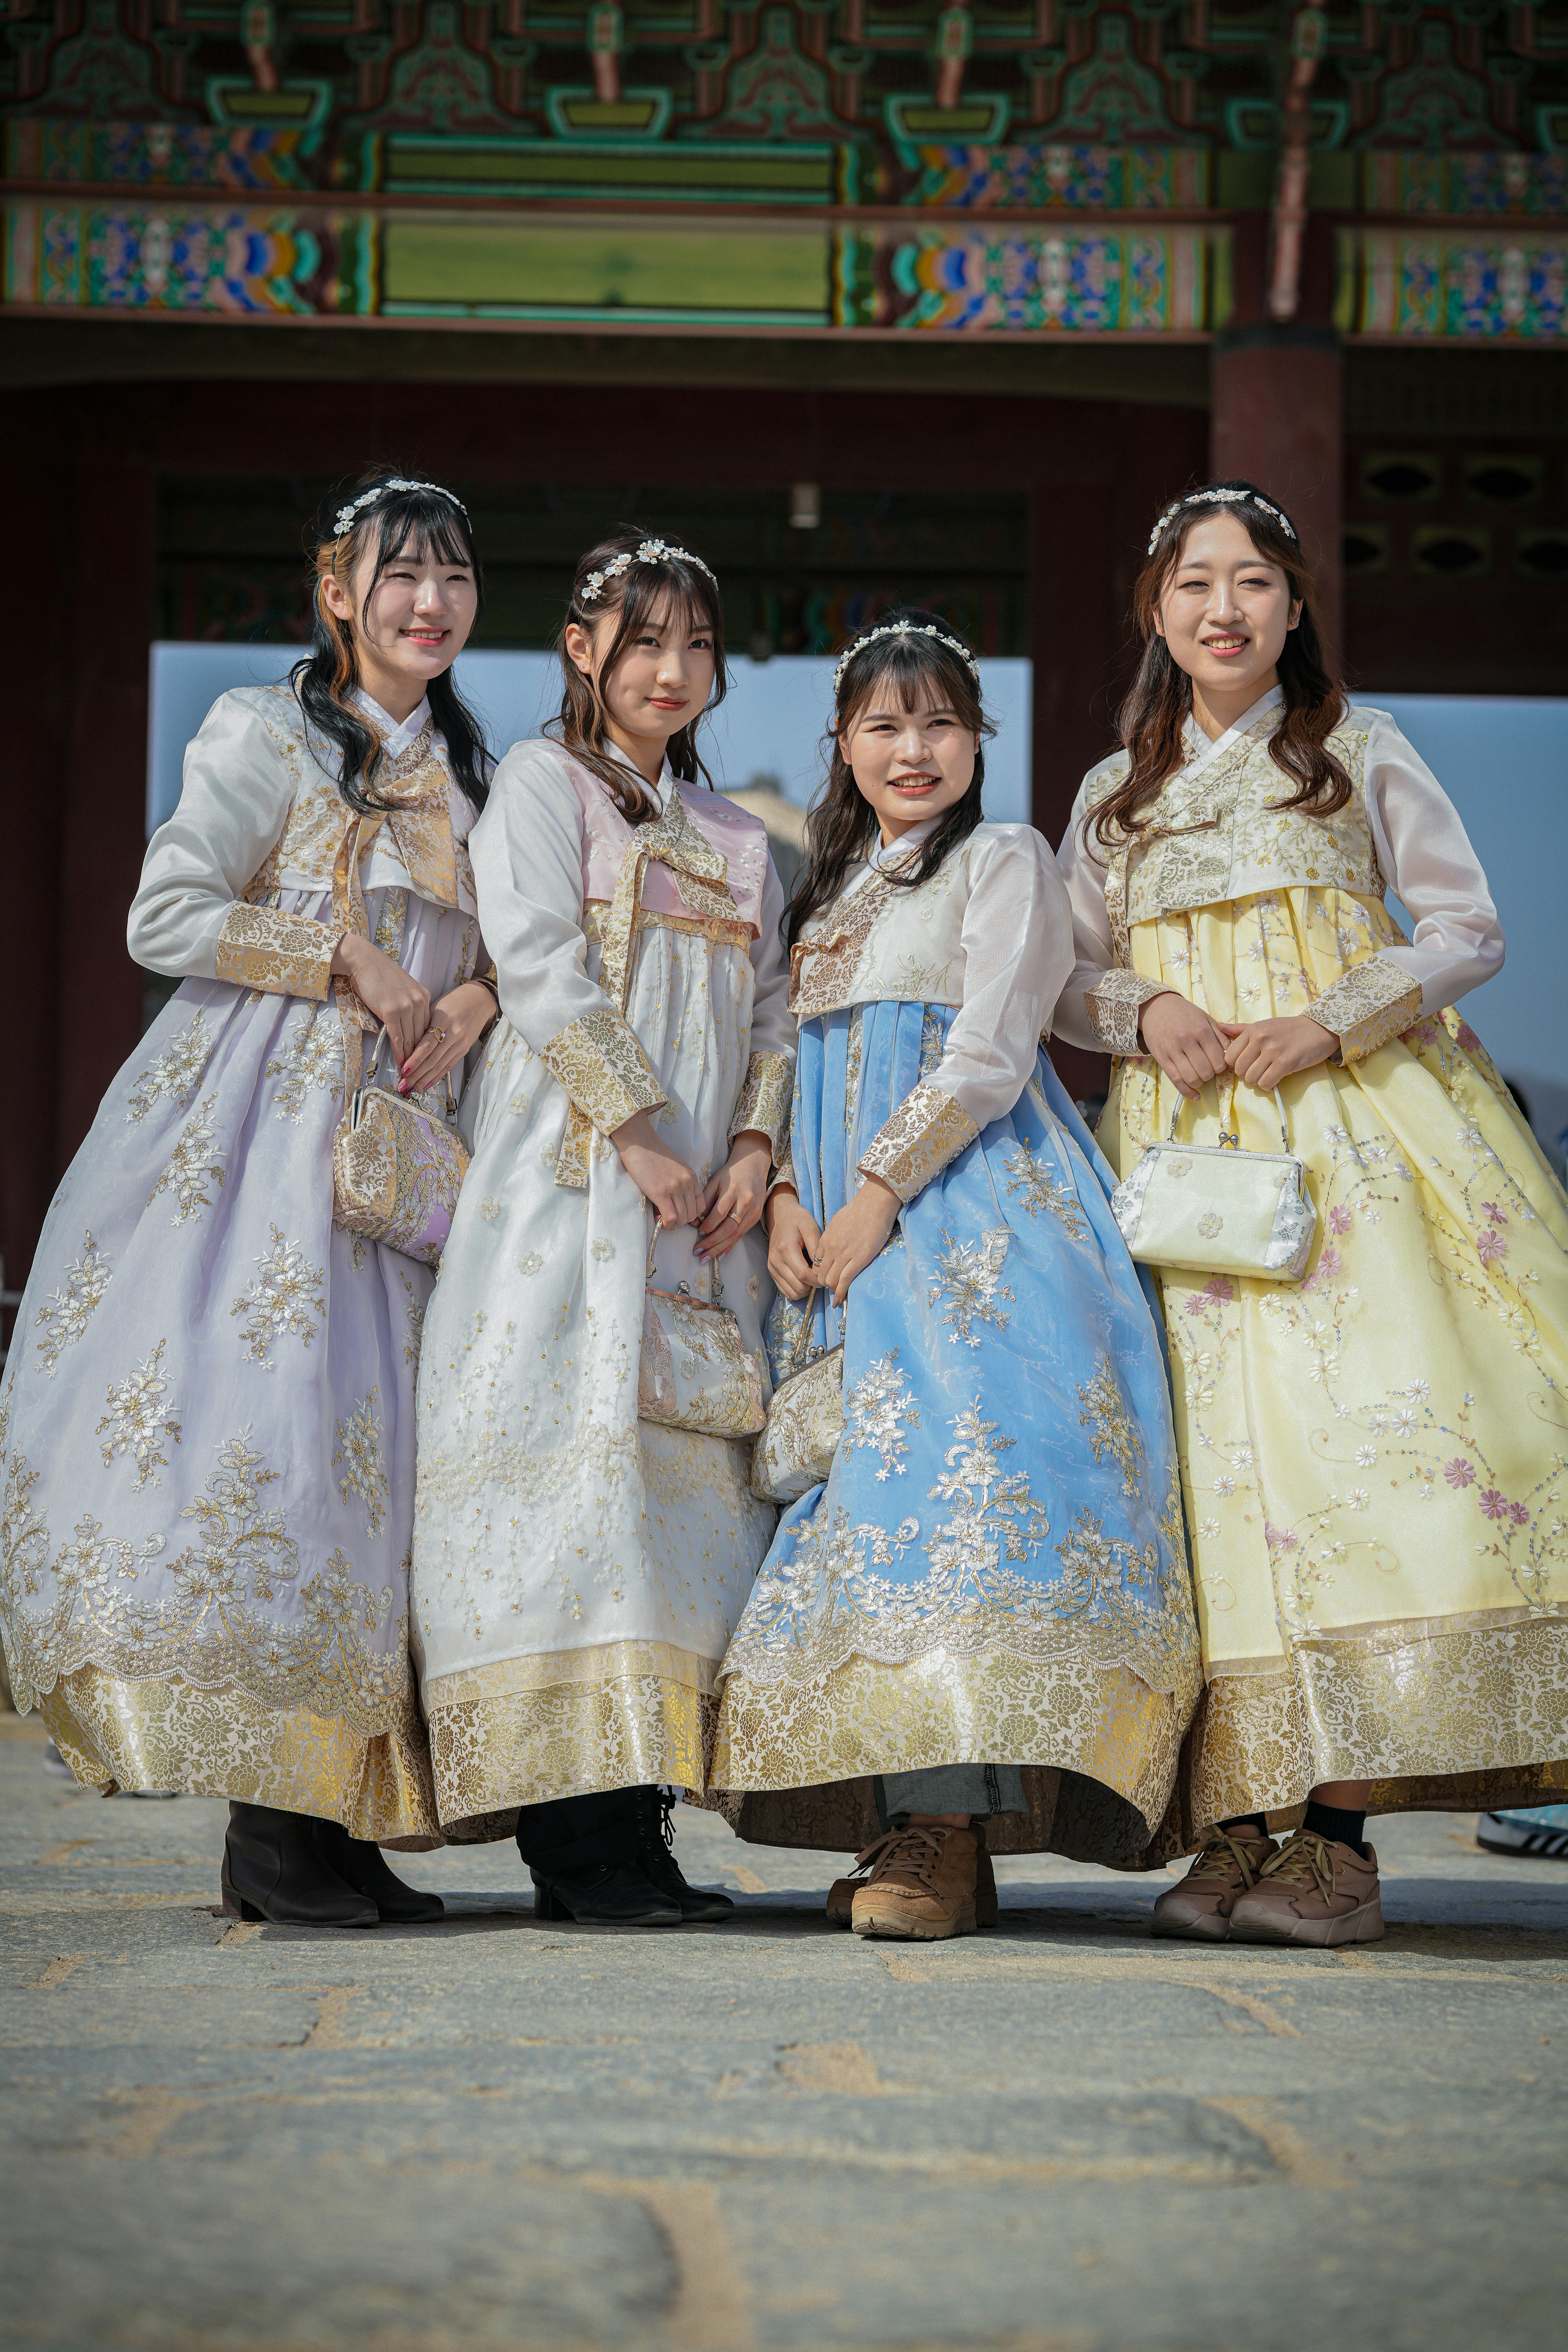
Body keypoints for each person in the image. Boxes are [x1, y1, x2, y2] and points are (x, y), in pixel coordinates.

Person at [1054, 478, 1568, 1947]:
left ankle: (1334, 1841)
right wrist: (1141, 1006)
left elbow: (1465, 925)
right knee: (1207, 1485)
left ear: (1294, 606)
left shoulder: (1359, 748)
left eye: (1253, 581)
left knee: (1355, 1455)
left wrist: (1333, 1017)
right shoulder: (1112, 793)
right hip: (1181, 1155)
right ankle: (1235, 1823)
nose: (1224, 608)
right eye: (1194, 583)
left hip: (1355, 1145)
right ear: (1155, 611)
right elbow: (1064, 977)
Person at [0, 468, 501, 1927]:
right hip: (261, 1129)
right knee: (279, 1444)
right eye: (399, 574)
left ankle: (338, 1813)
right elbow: (163, 913)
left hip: (408, 1141)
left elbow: (510, 946)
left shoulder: (476, 775)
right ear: (337, 593)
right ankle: (267, 1828)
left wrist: (473, 997)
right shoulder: (262, 730)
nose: (430, 602)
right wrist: (342, 955)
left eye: (455, 576)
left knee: (385, 1467)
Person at [710, 610, 1201, 1940]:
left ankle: (945, 1831)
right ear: (843, 743)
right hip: (844, 1238)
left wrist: (876, 1192)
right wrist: (793, 1195)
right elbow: (788, 1059)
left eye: (939, 722)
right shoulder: (827, 893)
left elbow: (990, 1053)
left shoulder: (1003, 860)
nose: (912, 748)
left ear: (978, 740)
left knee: (955, 1496)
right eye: (883, 725)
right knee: (863, 1514)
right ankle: (912, 1822)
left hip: (975, 1217)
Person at [410, 532, 794, 1925]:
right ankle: (572, 1843)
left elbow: (771, 1011)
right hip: (567, 1183)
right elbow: (536, 961)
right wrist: (636, 1128)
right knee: (568, 1484)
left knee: (673, 1500)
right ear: (582, 651)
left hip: (698, 1221)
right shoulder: (540, 782)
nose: (671, 671)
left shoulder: (739, 835)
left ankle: (637, 1829)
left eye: (697, 647)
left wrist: (749, 1143)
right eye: (643, 643)